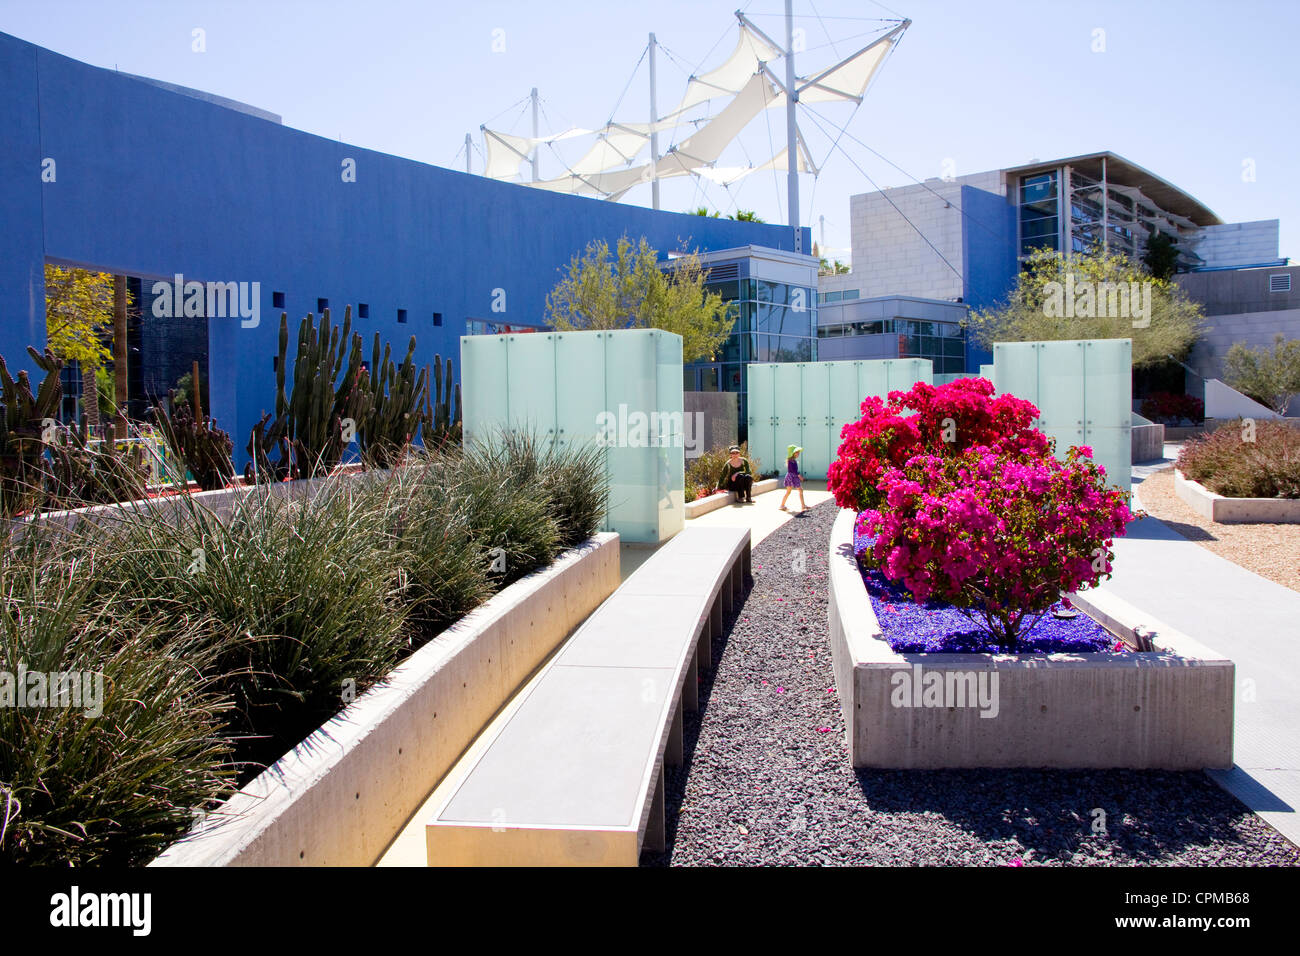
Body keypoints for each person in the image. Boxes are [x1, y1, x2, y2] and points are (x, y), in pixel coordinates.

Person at [779, 443, 806, 512]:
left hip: (794, 477)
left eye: (798, 452)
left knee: (800, 490)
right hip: (791, 477)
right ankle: (782, 505)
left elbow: (795, 471)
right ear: (792, 453)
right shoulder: (790, 461)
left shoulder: (794, 461)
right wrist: (800, 476)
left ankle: (803, 505)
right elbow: (793, 470)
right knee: (789, 492)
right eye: (797, 452)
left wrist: (798, 475)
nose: (798, 454)